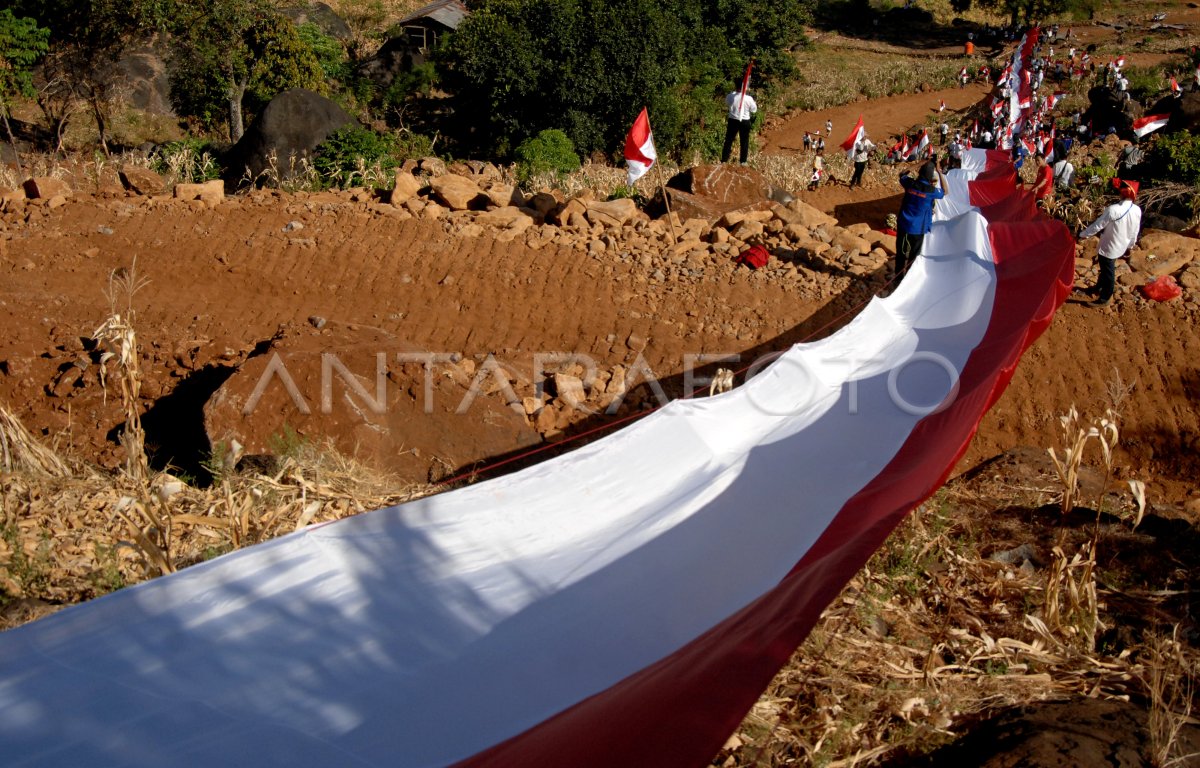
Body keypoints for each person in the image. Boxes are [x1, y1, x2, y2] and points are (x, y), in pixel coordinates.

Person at [1077, 178, 1142, 307]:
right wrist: (1131, 245)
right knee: (1106, 268)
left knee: (1108, 272)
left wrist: (1082, 235)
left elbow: (1097, 226)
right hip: (1122, 245)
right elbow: (1135, 230)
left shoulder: (1113, 209)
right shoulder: (1137, 210)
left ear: (1122, 193)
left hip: (1109, 245)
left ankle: (1105, 298)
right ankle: (1098, 288)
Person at [893, 159, 948, 284]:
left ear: (920, 172)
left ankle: (897, 279)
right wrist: (939, 172)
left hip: (903, 224)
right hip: (918, 228)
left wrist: (921, 162)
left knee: (901, 253)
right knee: (914, 256)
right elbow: (945, 191)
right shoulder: (931, 191)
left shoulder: (910, 184)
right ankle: (909, 281)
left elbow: (902, 173)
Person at [721, 79, 758, 164]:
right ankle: (743, 161)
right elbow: (754, 110)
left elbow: (727, 103)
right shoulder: (748, 98)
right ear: (744, 87)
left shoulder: (730, 96)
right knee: (744, 141)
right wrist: (753, 101)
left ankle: (724, 160)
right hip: (745, 121)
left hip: (732, 120)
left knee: (729, 140)